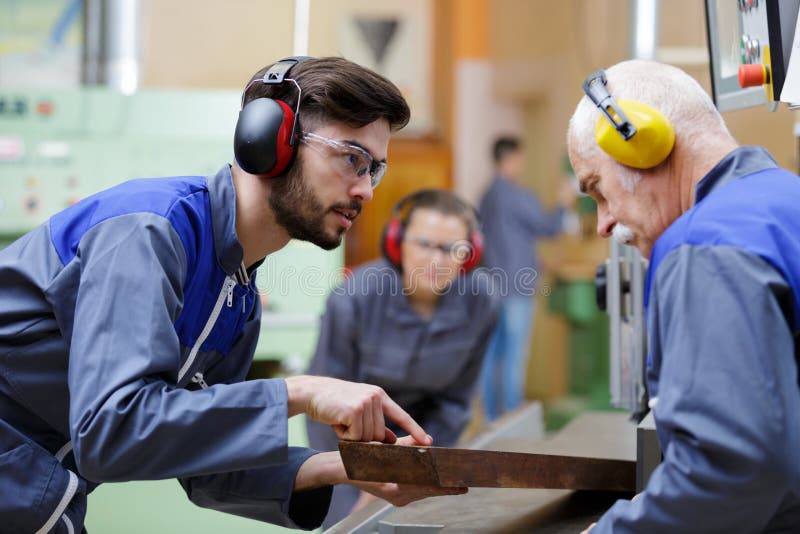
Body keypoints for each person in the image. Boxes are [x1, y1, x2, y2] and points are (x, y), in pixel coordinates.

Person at [0, 56, 468, 534]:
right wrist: (300, 392)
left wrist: (350, 467)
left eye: (375, 170)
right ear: (270, 141)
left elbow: (209, 468)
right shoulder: (149, 232)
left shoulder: (237, 298)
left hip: (34, 496)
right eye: (353, 158)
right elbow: (112, 430)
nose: (366, 190)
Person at [568, 60, 800, 532]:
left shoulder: (705, 244)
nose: (604, 223)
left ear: (640, 141)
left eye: (598, 190)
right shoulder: (785, 200)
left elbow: (730, 472)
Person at [306, 189, 499, 528]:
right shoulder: (353, 300)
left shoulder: (482, 303)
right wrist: (359, 484)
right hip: (347, 452)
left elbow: (454, 405)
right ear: (397, 242)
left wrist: (414, 470)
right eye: (424, 244)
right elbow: (323, 411)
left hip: (426, 450)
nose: (436, 261)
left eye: (452, 249)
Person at [478, 136, 575, 420]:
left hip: (491, 288)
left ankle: (492, 420)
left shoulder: (486, 196)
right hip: (516, 290)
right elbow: (550, 226)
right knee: (514, 359)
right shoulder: (517, 195)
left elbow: (499, 241)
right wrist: (563, 202)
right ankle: (513, 421)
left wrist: (532, 259)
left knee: (492, 357)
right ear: (510, 158)